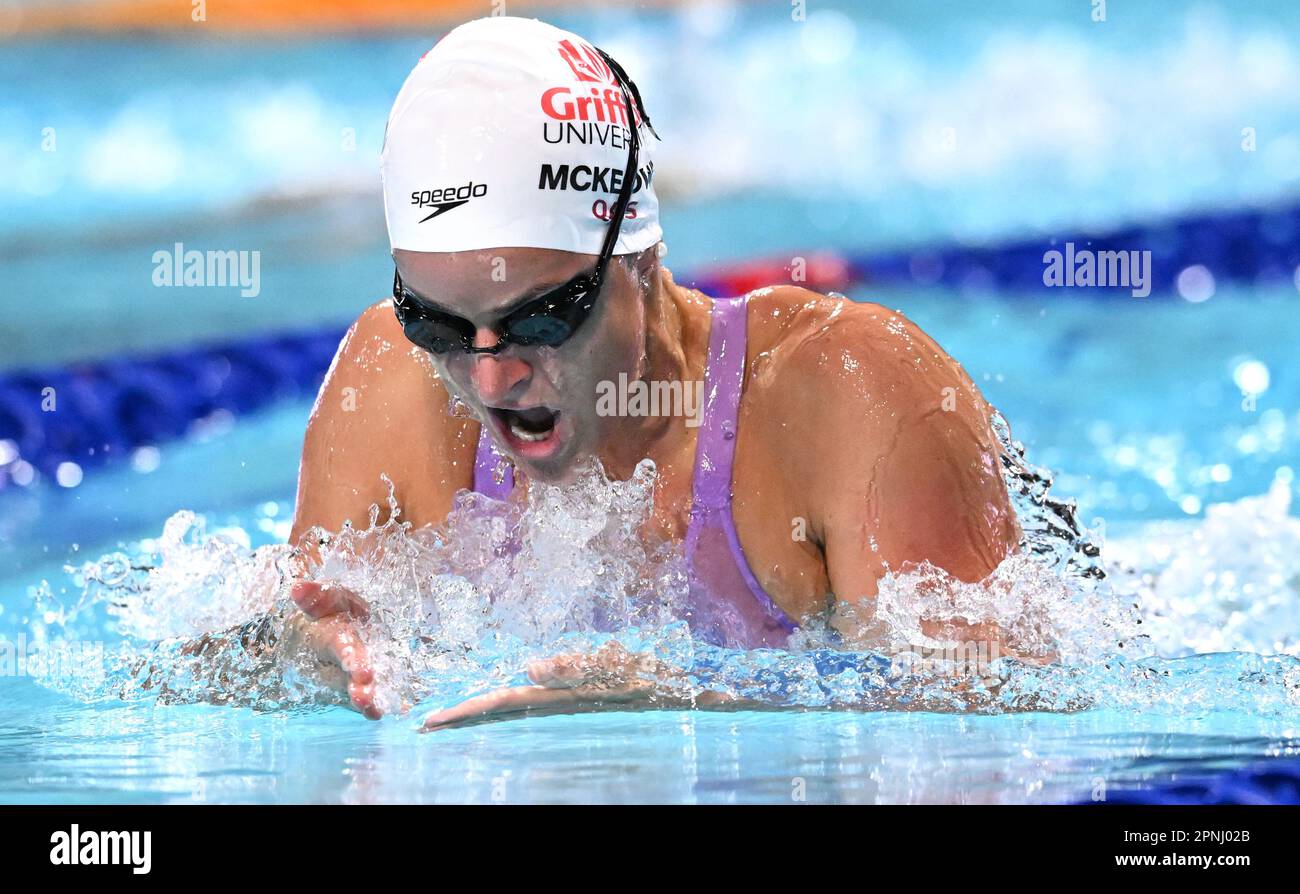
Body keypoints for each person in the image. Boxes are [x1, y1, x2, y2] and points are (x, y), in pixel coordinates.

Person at [283, 16, 1020, 729]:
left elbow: (995, 708)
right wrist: (298, 654)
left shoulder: (849, 390)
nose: (490, 379)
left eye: (541, 319)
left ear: (639, 255)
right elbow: (249, 655)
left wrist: (694, 699)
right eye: (436, 325)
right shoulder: (387, 380)